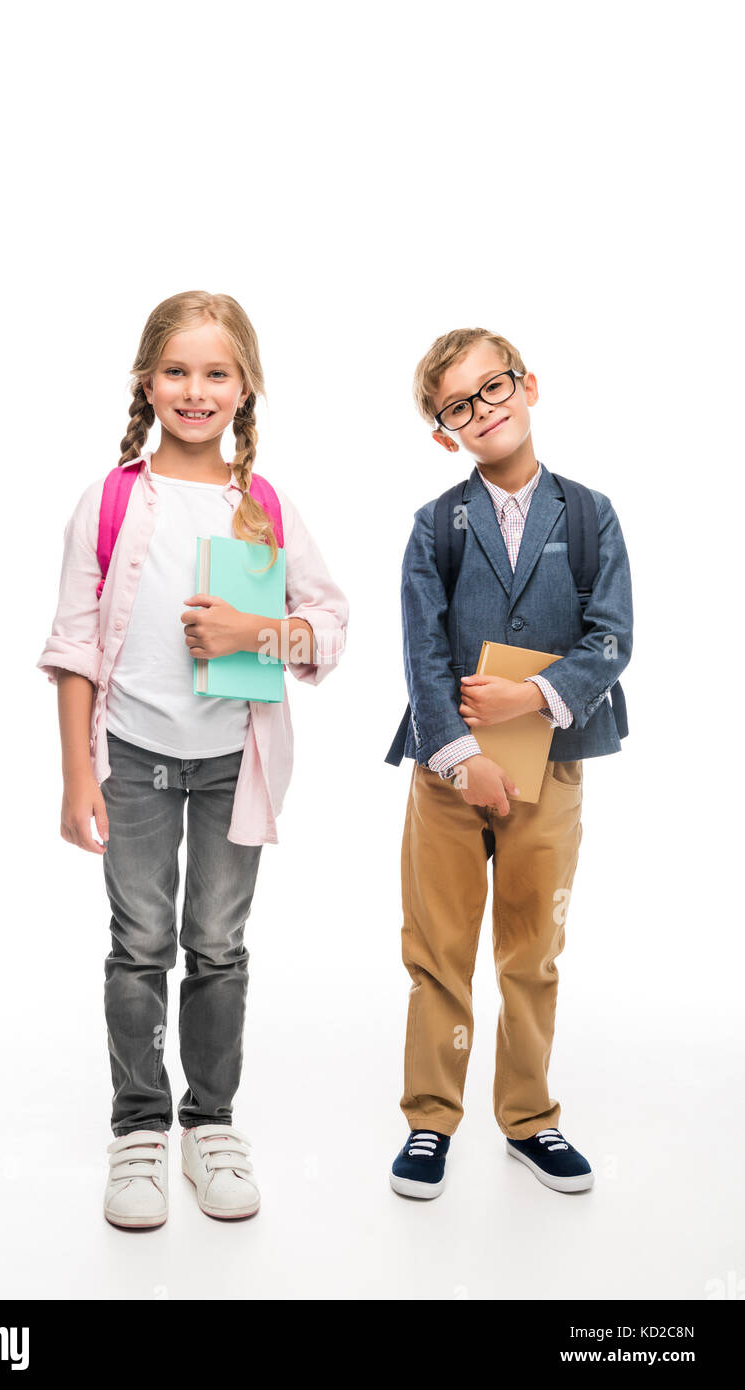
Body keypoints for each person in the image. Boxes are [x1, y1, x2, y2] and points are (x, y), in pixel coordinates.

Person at [36, 291, 349, 1229]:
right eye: (177, 370)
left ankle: (209, 1122)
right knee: (139, 948)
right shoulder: (112, 500)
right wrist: (75, 774)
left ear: (245, 387)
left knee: (217, 947)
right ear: (146, 382)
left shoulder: (262, 506)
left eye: (217, 372)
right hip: (131, 761)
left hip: (230, 766)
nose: (195, 389)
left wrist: (261, 632)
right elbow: (74, 645)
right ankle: (139, 1127)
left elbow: (329, 626)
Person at [386, 327, 633, 1200]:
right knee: (438, 951)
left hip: (554, 764)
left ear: (527, 386)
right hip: (448, 774)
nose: (482, 411)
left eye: (493, 389)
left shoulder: (590, 513)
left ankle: (529, 1119)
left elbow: (611, 640)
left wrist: (529, 700)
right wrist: (461, 760)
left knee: (532, 951)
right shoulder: (435, 527)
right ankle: (429, 1120)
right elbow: (420, 656)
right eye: (459, 405)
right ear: (441, 430)